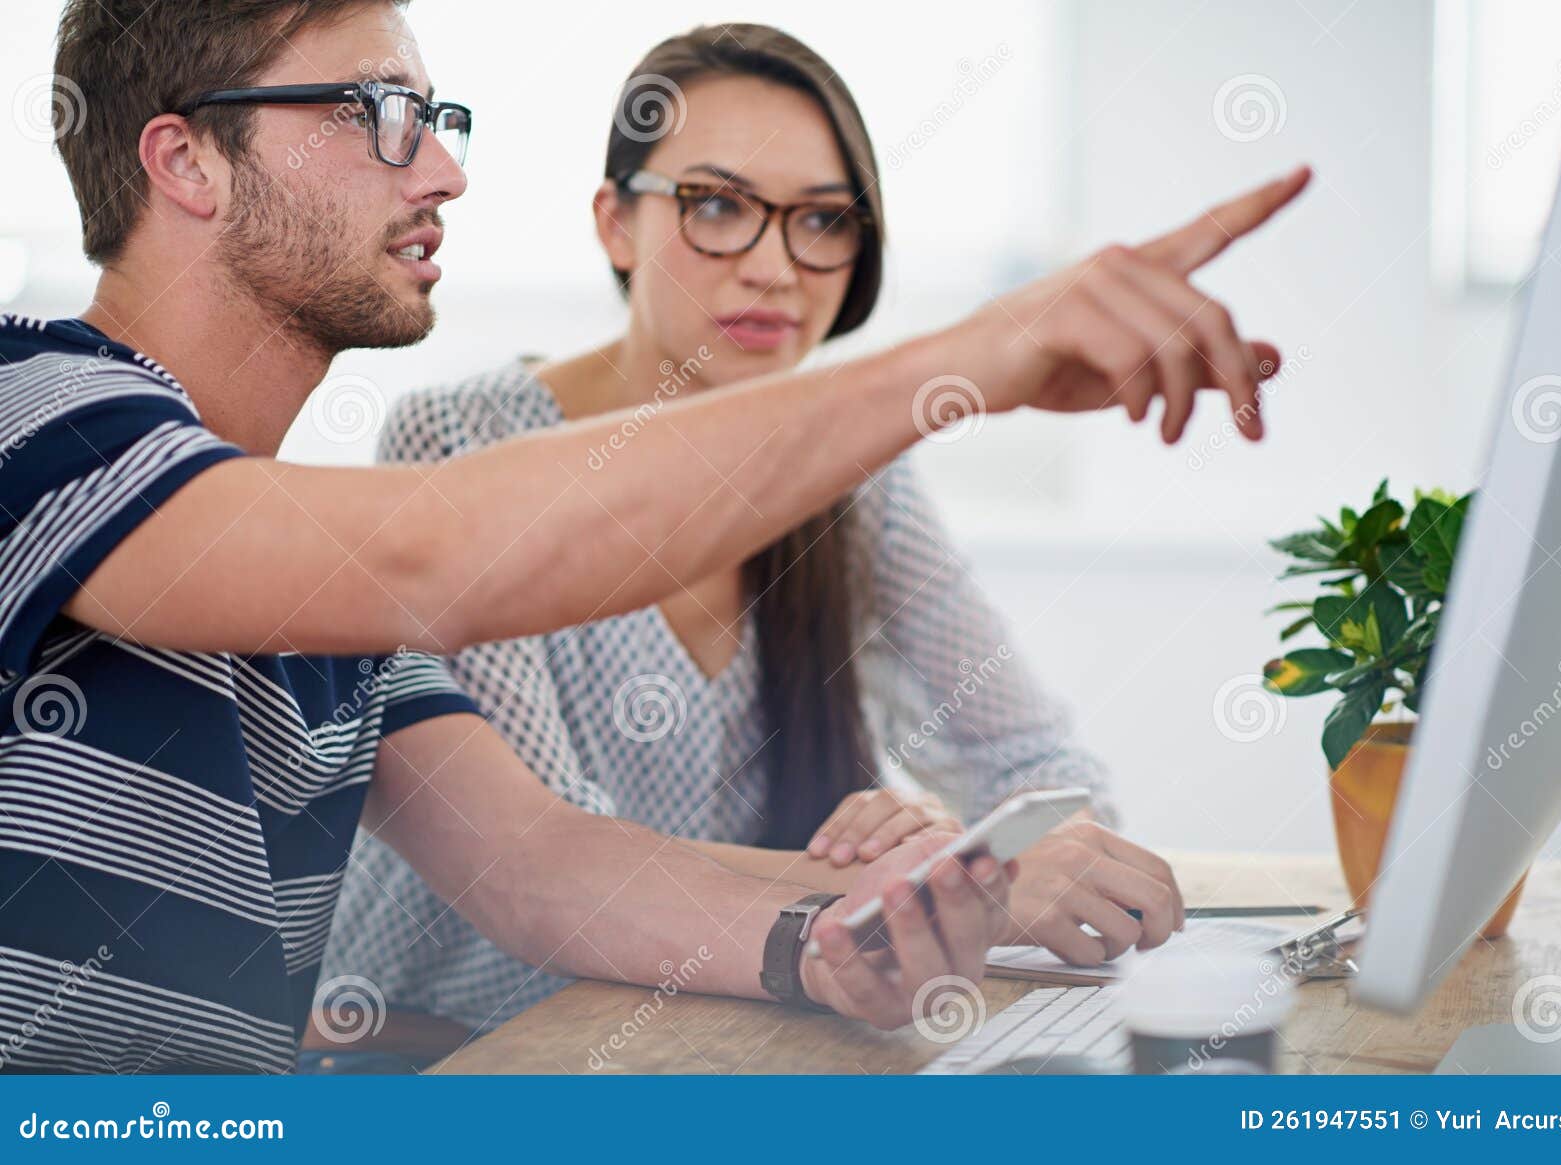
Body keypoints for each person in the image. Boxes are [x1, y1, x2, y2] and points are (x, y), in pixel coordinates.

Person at [0, 0, 1305, 1073]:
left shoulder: (309, 572)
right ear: (187, 162)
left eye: (438, 125)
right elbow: (441, 558)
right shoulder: (35, 411)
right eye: (382, 116)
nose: (446, 171)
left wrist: (872, 918)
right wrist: (980, 354)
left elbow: (547, 865)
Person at [321, 24, 1206, 1050]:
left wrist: (938, 842)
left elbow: (1040, 761)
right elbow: (560, 861)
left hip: (703, 1045)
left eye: (822, 220)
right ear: (616, 223)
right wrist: (937, 875)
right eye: (717, 206)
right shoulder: (460, 441)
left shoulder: (854, 475)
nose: (777, 267)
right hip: (449, 1053)